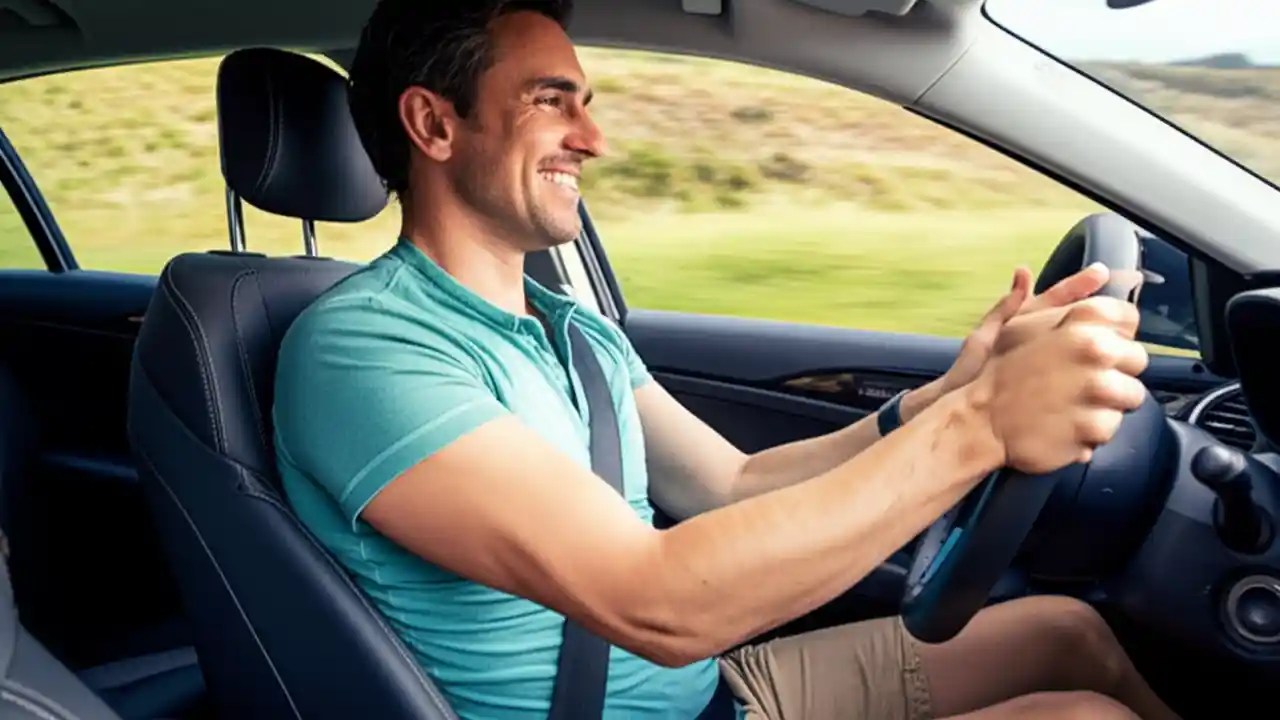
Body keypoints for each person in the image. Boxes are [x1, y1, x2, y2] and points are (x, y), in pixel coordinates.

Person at [271, 1, 1181, 718]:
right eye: (552, 100)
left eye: (586, 104)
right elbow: (655, 604)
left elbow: (735, 484)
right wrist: (983, 426)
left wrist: (951, 393)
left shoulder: (569, 327)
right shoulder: (366, 351)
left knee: (1068, 635)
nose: (593, 139)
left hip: (719, 693)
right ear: (434, 124)